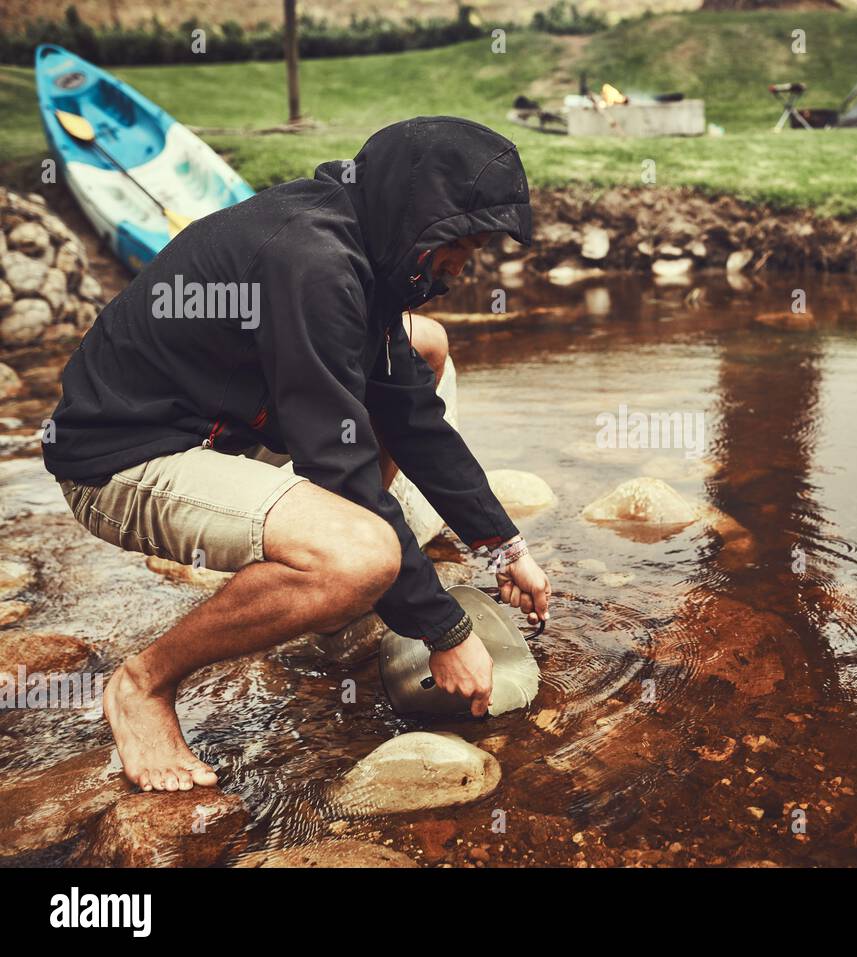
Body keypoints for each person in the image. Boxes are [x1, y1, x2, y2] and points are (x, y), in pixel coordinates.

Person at [42, 116, 550, 792]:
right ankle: (144, 682)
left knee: (422, 347)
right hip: (120, 458)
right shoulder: (312, 264)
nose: (463, 267)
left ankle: (341, 590)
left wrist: (502, 545)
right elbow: (337, 469)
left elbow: (409, 416)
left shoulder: (366, 238)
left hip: (217, 425)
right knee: (360, 553)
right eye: (462, 242)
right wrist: (445, 629)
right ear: (418, 215)